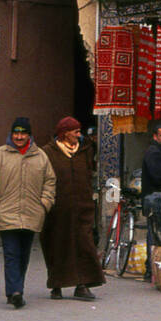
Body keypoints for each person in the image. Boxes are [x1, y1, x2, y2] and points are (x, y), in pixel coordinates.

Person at [0, 117, 56, 308]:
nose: (19, 137)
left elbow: (50, 182)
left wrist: (44, 203)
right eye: (16, 133)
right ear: (11, 134)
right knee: (11, 253)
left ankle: (15, 289)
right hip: (6, 214)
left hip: (31, 213)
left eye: (23, 133)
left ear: (29, 135)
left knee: (24, 254)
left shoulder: (40, 157)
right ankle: (16, 291)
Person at [41, 116, 106, 300]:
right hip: (57, 209)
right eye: (75, 131)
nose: (79, 135)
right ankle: (57, 285)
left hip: (82, 207)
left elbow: (88, 172)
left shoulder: (84, 150)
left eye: (79, 131)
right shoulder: (48, 152)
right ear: (64, 133)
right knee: (58, 245)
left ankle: (82, 284)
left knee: (83, 245)